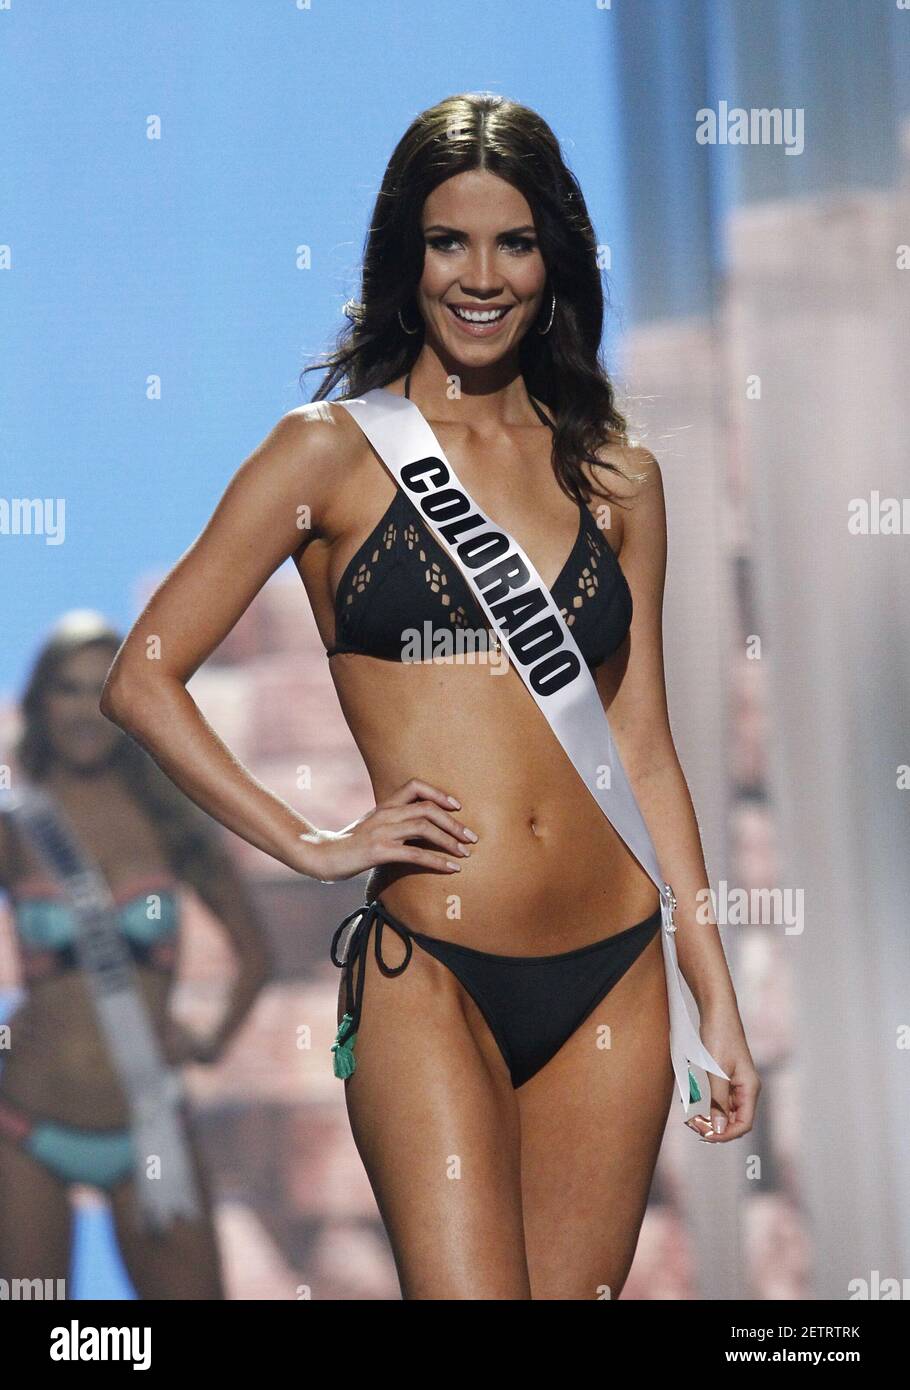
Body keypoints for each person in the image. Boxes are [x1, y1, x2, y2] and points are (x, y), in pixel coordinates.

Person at [101, 92, 760, 1300]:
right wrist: (312, 841)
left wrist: (712, 989)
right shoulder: (326, 454)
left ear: (551, 256)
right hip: (434, 970)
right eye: (446, 240)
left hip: (613, 970)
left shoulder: (617, 476)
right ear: (404, 256)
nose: (480, 274)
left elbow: (644, 746)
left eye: (512, 241)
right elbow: (142, 677)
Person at [0, 612, 271, 1298]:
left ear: (125, 703)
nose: (84, 712)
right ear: (40, 702)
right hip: (24, 1125)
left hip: (150, 1128)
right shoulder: (15, 822)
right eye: (66, 689)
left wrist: (210, 1044)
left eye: (101, 691)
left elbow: (256, 953)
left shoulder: (169, 816)